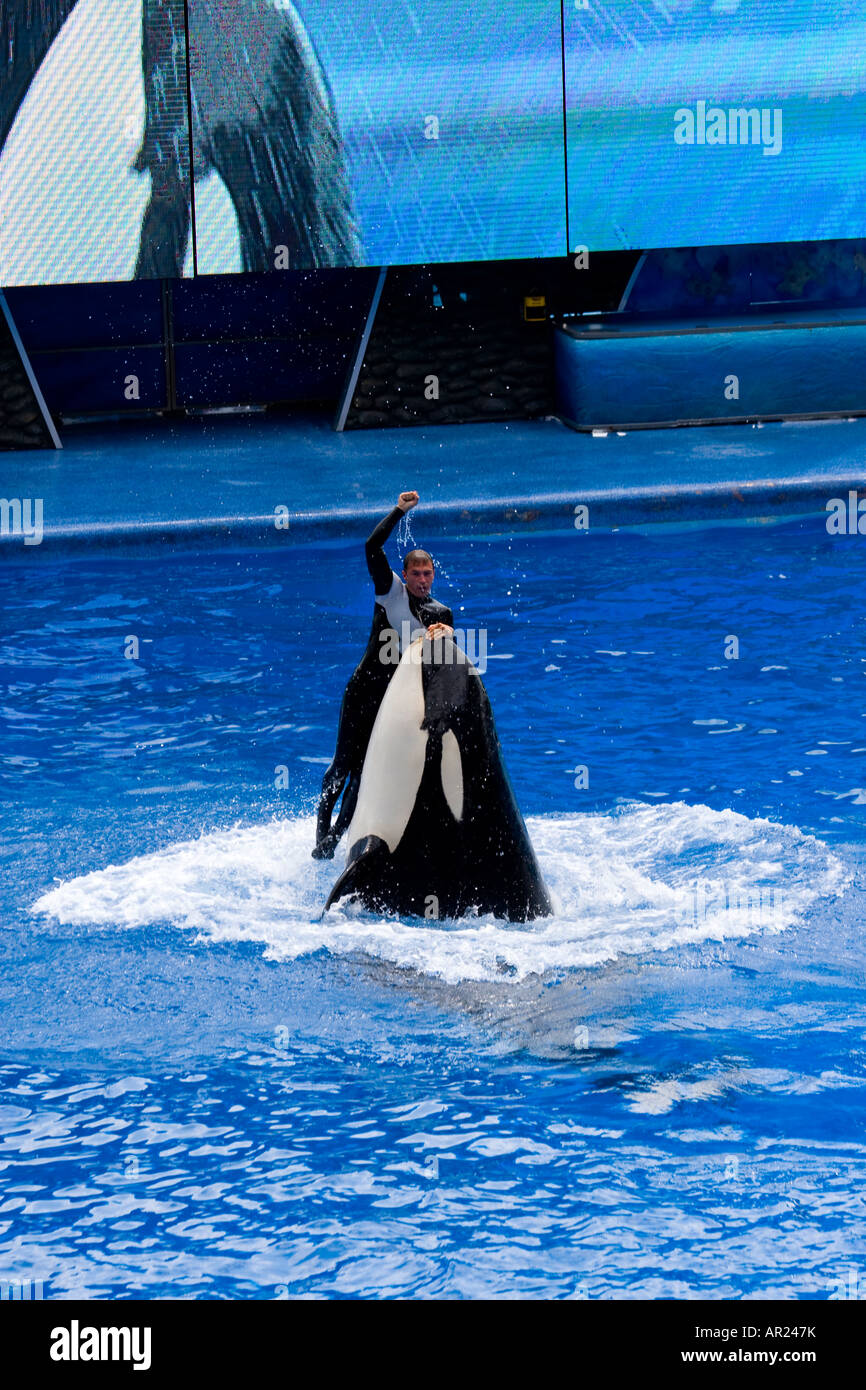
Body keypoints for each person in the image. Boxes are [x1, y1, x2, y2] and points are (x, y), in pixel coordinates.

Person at [312, 491, 454, 859]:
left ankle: (334, 842)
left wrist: (449, 639)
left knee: (362, 777)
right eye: (416, 574)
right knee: (340, 769)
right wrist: (398, 511)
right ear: (404, 575)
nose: (422, 580)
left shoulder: (442, 614)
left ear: (433, 575)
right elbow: (371, 545)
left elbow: (442, 666)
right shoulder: (389, 590)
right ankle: (320, 837)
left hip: (390, 704)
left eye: (428, 574)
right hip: (362, 691)